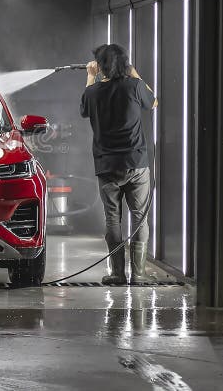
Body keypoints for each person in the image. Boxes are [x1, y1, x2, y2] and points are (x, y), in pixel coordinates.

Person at [80, 44, 158, 285]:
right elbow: (152, 101)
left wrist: (90, 76)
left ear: (101, 66)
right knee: (139, 218)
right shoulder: (134, 86)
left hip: (107, 166)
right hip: (136, 163)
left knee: (113, 220)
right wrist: (133, 72)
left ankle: (116, 274)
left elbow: (84, 109)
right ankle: (139, 274)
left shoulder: (93, 92)